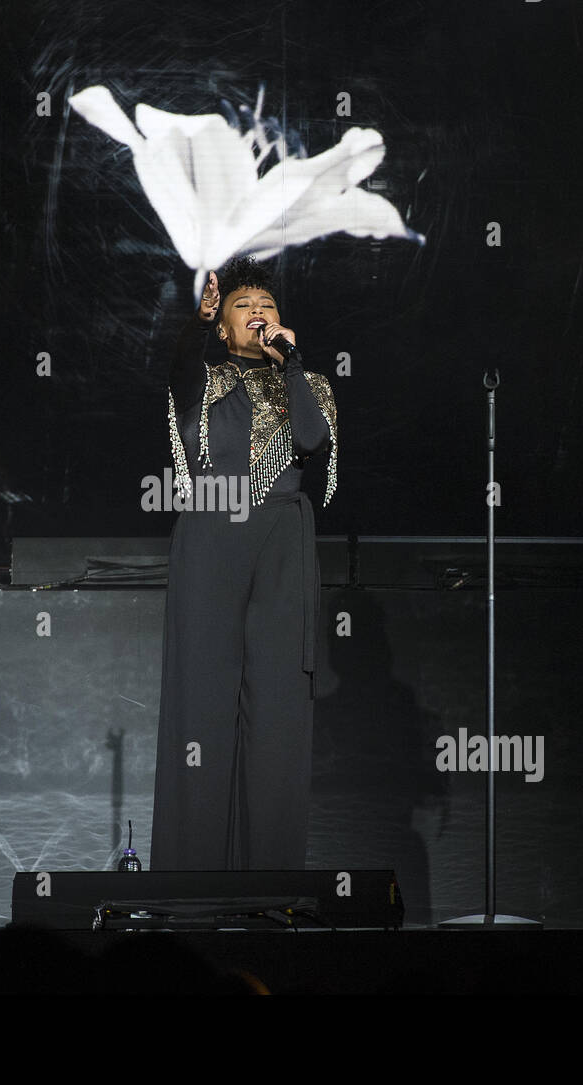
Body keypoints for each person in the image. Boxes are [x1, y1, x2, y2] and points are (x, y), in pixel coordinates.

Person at [150, 256, 337, 870]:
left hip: (283, 542)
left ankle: (271, 888)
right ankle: (191, 886)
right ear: (224, 327)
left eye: (269, 307)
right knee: (202, 709)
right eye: (243, 307)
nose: (259, 314)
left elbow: (310, 441)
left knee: (278, 715)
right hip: (212, 536)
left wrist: (294, 365)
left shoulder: (309, 385)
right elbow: (178, 365)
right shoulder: (204, 381)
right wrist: (195, 324)